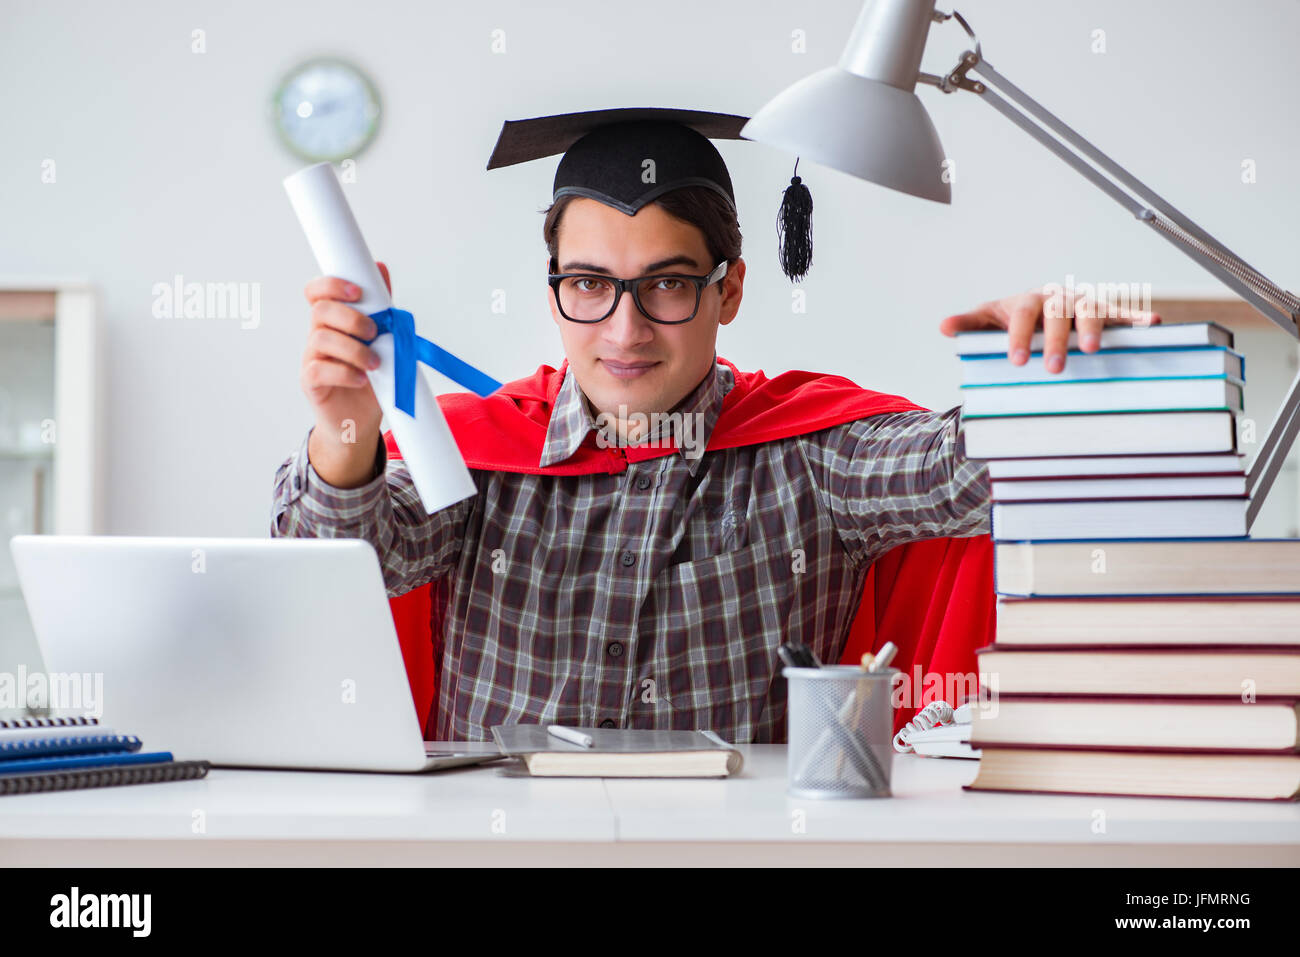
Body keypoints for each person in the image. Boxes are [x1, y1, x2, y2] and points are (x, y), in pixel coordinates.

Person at [271, 108, 1156, 743]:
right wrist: (347, 432)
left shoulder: (816, 456)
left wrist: (1052, 367)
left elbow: (977, 469)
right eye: (588, 284)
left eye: (667, 283)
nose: (624, 330)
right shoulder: (482, 454)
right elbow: (341, 575)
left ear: (729, 289)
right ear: (555, 287)